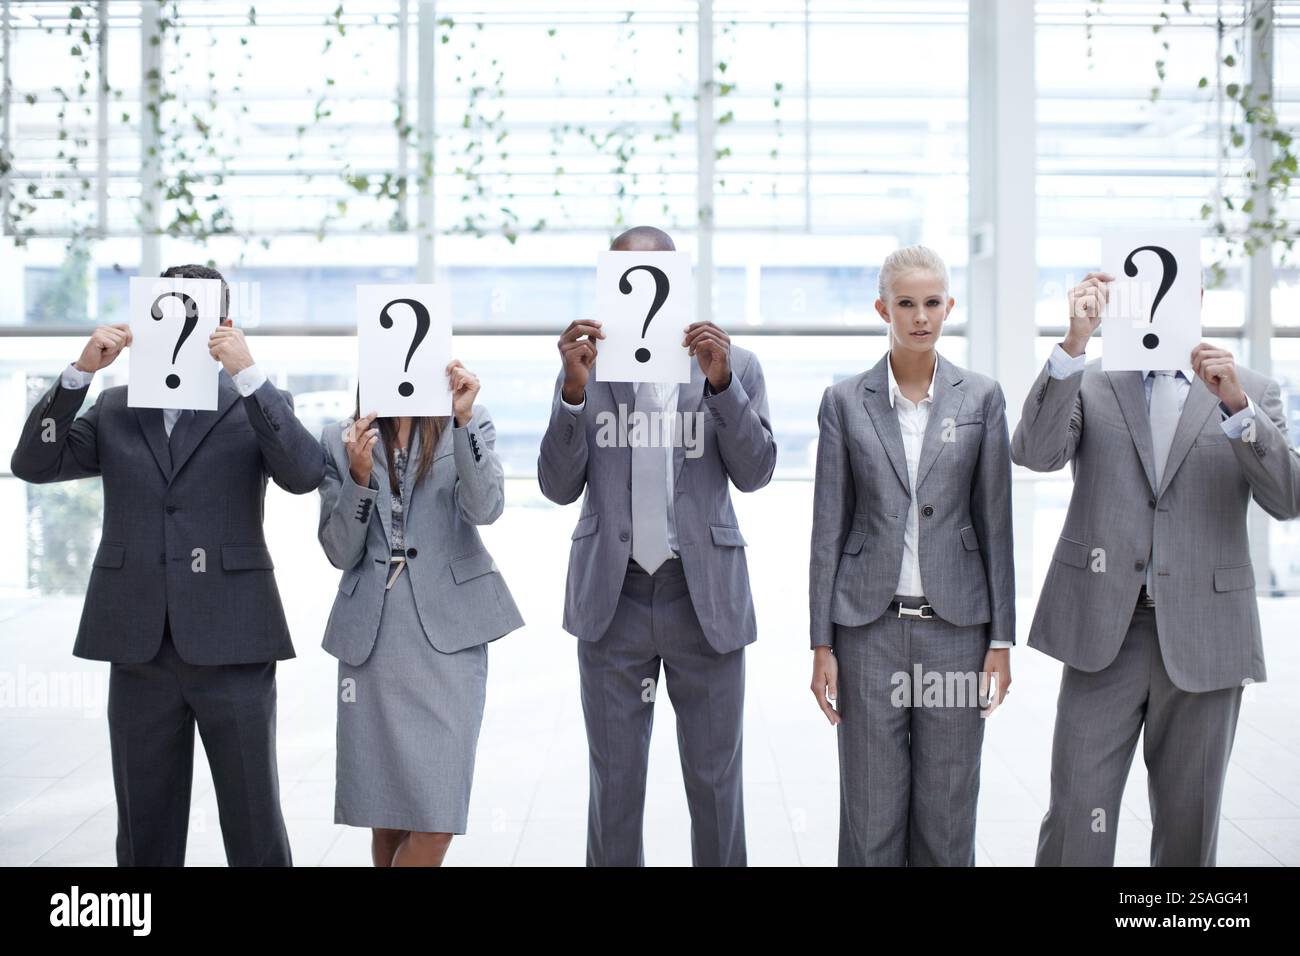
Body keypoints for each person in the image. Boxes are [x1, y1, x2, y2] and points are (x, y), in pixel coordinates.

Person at [10, 264, 324, 866]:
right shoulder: (115, 405)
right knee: (144, 827)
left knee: (254, 819)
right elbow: (33, 462)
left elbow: (304, 474)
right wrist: (80, 373)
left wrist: (249, 374)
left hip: (234, 638)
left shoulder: (257, 400)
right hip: (137, 640)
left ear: (221, 322)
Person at [1014, 270, 1300, 866]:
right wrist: (1073, 345)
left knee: (1188, 822)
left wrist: (1239, 408)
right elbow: (1036, 453)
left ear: (1196, 301)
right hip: (1104, 631)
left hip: (1207, 633)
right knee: (1076, 815)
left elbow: (1288, 499)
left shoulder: (1248, 389)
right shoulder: (1090, 383)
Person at [537, 225, 778, 866]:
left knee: (715, 782)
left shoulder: (733, 363)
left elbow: (755, 473)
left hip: (703, 599)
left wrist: (722, 384)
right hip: (612, 599)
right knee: (614, 785)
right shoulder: (584, 371)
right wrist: (572, 392)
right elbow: (557, 487)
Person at [808, 245, 1015, 866]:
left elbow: (996, 526)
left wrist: (1000, 640)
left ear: (949, 306)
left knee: (948, 819)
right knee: (870, 819)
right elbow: (827, 529)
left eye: (932, 303)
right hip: (867, 632)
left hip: (956, 633)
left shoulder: (981, 399)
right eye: (906, 304)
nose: (920, 316)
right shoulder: (844, 402)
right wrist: (821, 643)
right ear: (883, 309)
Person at [317, 360, 522, 867]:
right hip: (375, 640)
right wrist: (360, 480)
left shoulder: (470, 424)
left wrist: (463, 420)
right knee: (386, 816)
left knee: (434, 824)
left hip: (450, 639)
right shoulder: (341, 438)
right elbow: (341, 551)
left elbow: (487, 507)